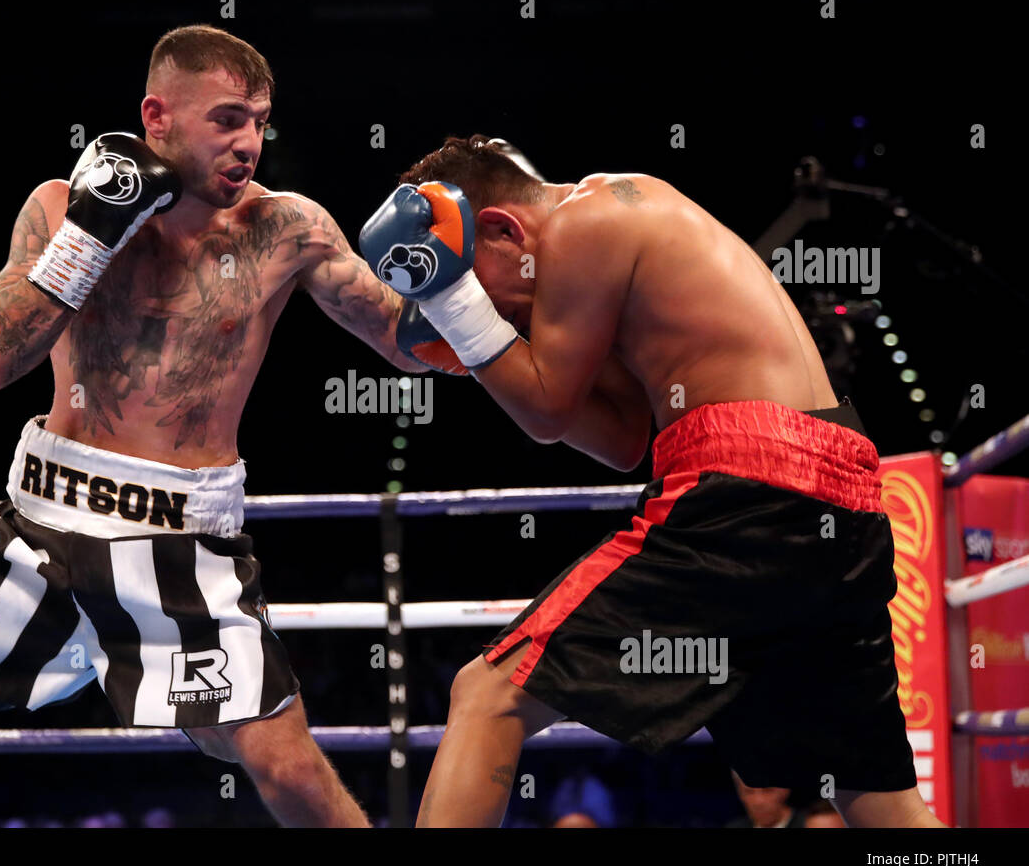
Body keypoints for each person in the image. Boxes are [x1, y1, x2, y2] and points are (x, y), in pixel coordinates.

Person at [0, 25, 422, 829]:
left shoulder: (288, 229)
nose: (251, 142)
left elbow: (408, 345)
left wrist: (457, 288)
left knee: (292, 772)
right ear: (156, 116)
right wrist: (91, 234)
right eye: (229, 118)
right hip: (40, 527)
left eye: (261, 121)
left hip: (186, 542)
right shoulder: (62, 207)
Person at [359, 134, 943, 828]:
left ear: (501, 229)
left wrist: (459, 307)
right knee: (874, 793)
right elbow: (621, 439)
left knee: (486, 694)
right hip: (836, 498)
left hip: (748, 482)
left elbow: (543, 413)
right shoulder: (625, 229)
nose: (508, 319)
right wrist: (481, 334)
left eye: (480, 283)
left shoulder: (582, 220)